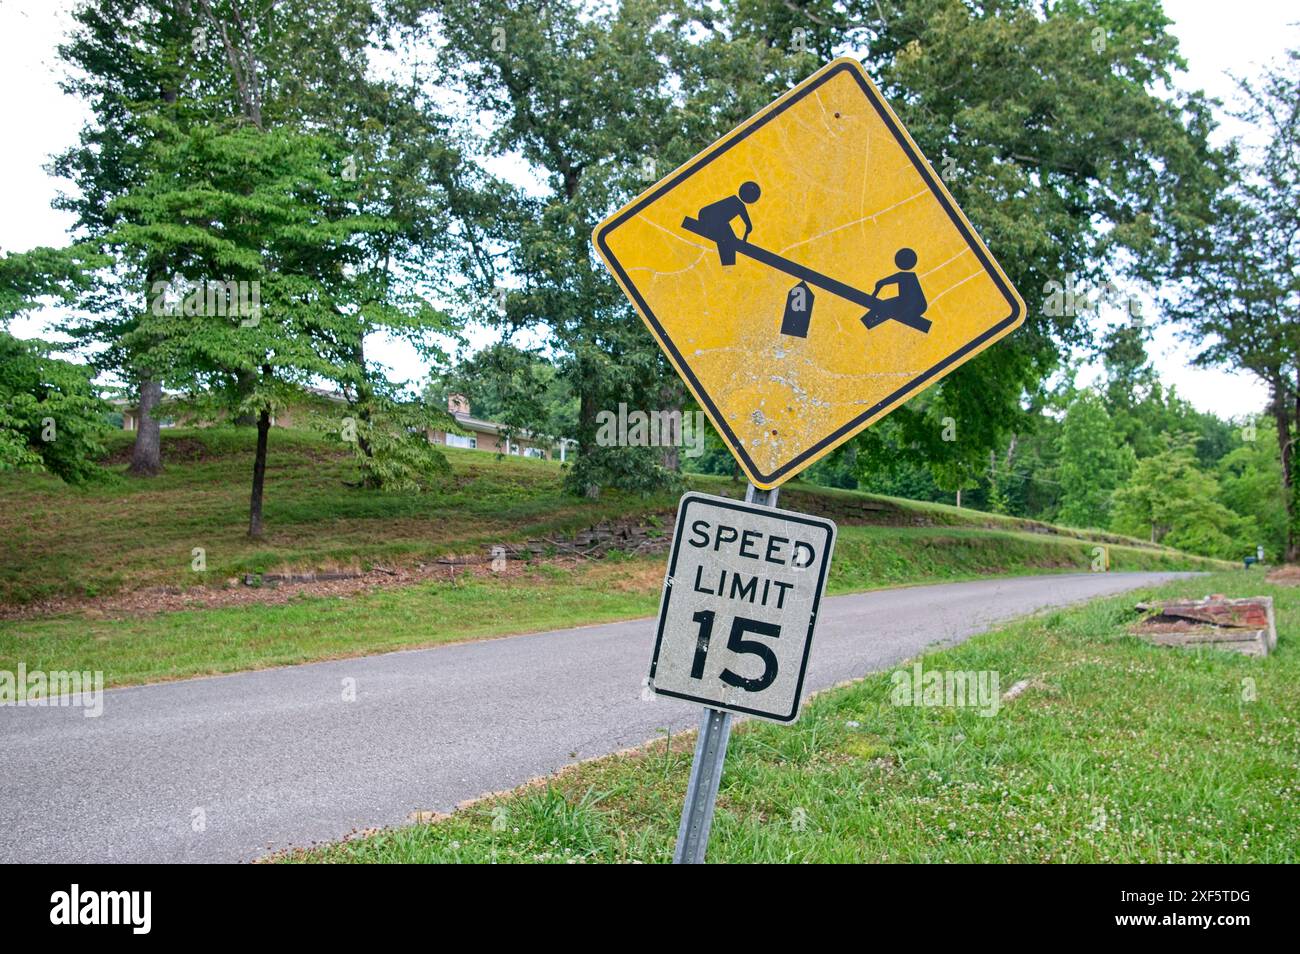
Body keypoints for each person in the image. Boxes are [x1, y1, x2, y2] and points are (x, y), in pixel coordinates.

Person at [693, 181, 761, 265]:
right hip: (710, 219)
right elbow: (749, 226)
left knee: (728, 238)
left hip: (707, 216)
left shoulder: (734, 200)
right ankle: (728, 266)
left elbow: (748, 226)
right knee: (729, 240)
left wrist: (746, 236)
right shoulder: (738, 204)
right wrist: (745, 238)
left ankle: (728, 267)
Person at [862, 248, 927, 329]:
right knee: (884, 306)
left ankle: (867, 322)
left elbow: (881, 283)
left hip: (912, 305)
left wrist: (874, 295)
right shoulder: (910, 276)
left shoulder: (903, 276)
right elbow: (881, 283)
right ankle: (867, 323)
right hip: (914, 304)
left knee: (883, 307)